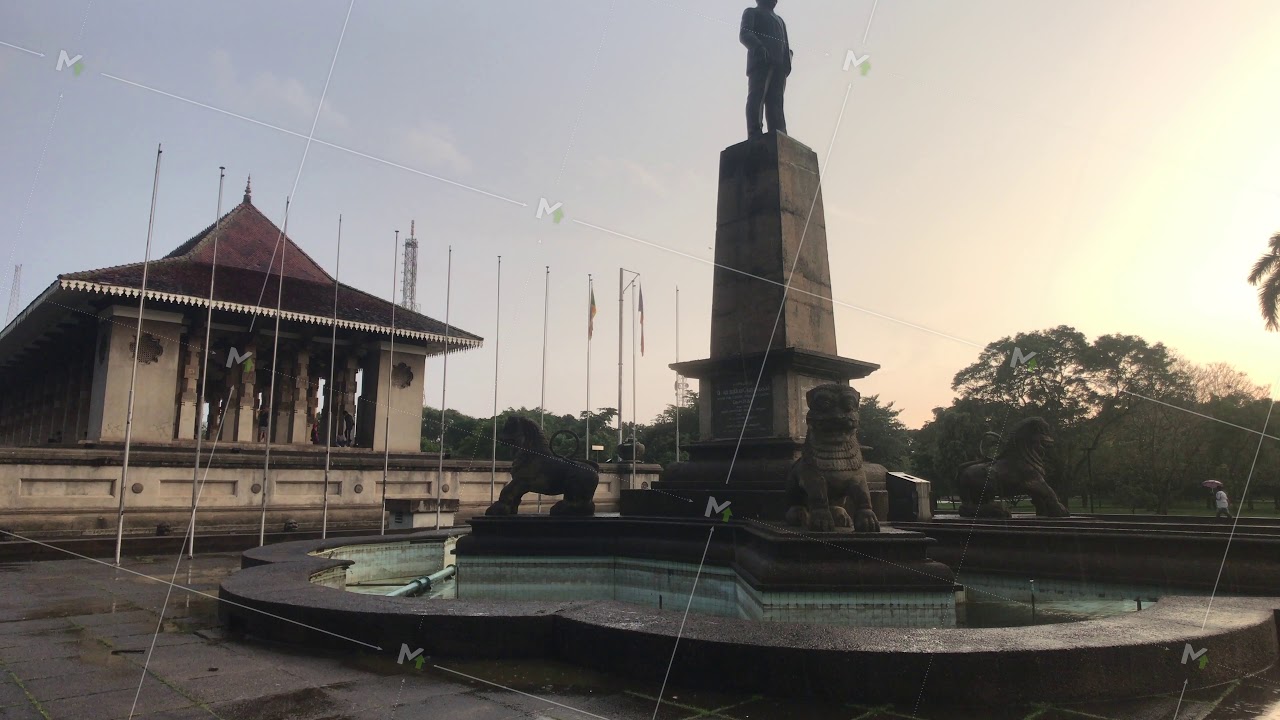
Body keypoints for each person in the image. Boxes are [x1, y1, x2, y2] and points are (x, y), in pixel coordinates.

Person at [740, 0, 793, 138]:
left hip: (780, 66)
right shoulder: (752, 12)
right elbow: (745, 34)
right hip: (761, 62)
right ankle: (754, 132)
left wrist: (788, 58)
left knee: (776, 102)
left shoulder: (780, 21)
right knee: (757, 97)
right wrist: (758, 47)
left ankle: (780, 133)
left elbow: (785, 44)